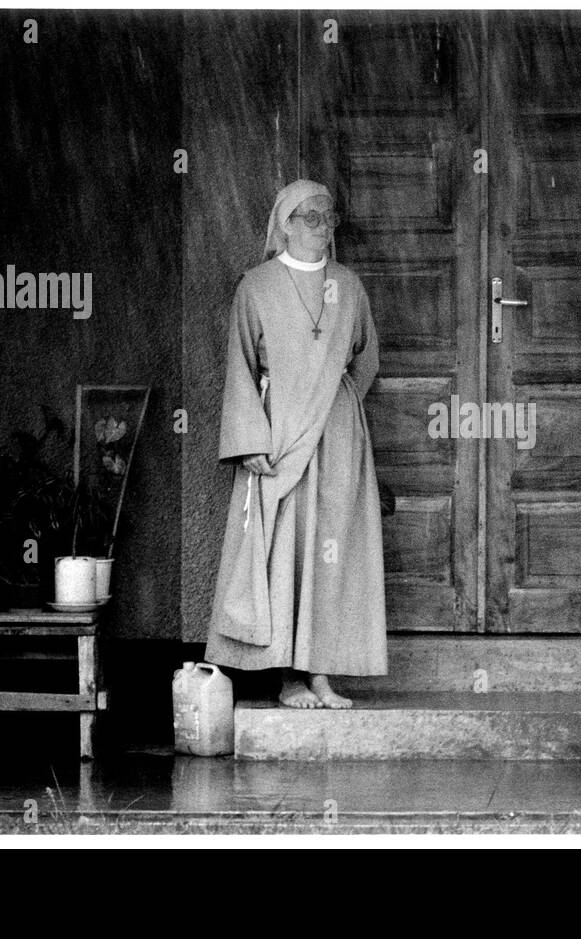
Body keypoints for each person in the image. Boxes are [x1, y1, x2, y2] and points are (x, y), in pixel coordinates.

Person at [204, 178, 387, 709]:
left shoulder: (348, 286)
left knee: (332, 552)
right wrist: (249, 439)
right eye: (311, 217)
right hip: (278, 438)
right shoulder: (256, 286)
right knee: (284, 552)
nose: (323, 228)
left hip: (336, 439)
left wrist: (334, 408)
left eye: (329, 218)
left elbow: (364, 359)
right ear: (284, 224)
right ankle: (283, 676)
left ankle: (321, 674)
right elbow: (239, 368)